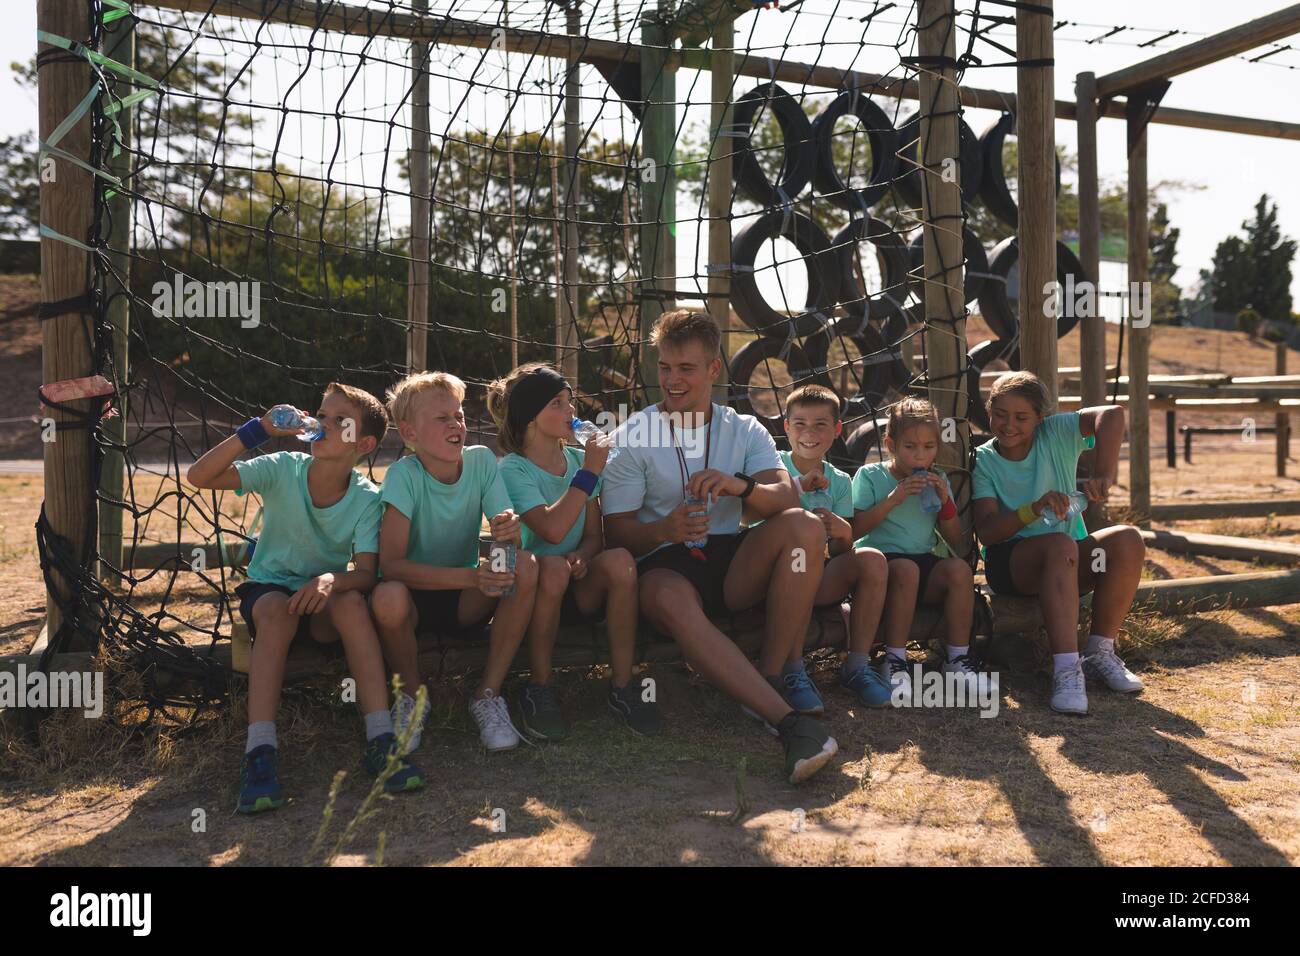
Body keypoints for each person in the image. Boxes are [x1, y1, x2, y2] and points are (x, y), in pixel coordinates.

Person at [600, 309, 838, 784]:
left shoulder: (743, 428)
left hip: (730, 558)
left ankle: (771, 678)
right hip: (661, 566)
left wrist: (739, 487)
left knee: (803, 527)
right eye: (665, 367)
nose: (671, 379)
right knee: (667, 591)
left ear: (713, 370)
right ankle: (787, 722)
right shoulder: (632, 435)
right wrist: (665, 529)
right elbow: (617, 534)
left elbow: (786, 496)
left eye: (685, 368)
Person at [186, 383, 423, 813]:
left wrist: (331, 579)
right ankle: (259, 753)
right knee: (276, 613)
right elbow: (199, 476)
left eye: (339, 421)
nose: (323, 424)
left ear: (364, 444)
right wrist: (258, 429)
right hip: (271, 591)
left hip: (323, 600)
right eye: (322, 415)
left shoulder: (369, 498)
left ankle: (381, 740)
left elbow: (367, 574)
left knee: (352, 604)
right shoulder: (283, 467)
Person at [487, 362, 661, 738]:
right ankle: (540, 687)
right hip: (534, 592)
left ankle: (622, 686)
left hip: (578, 586)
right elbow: (550, 529)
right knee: (551, 567)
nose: (572, 411)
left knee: (619, 561)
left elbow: (593, 535)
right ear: (530, 417)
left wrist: (583, 555)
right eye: (558, 403)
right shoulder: (513, 469)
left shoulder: (579, 461)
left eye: (570, 401)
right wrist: (589, 474)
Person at [368, 371, 538, 752]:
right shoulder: (402, 475)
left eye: (458, 415)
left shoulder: (480, 462)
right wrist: (471, 577)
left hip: (465, 600)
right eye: (442, 418)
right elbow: (391, 565)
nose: (456, 424)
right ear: (409, 434)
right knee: (387, 597)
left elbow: (506, 546)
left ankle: (488, 695)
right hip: (414, 598)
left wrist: (509, 533)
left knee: (525, 564)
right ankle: (412, 698)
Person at [972, 371, 1145, 715]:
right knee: (1059, 546)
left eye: (1021, 417)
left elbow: (1112, 415)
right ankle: (1066, 669)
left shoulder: (1056, 433)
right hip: (1013, 567)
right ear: (988, 410)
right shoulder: (983, 461)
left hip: (1067, 563)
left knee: (1127, 539)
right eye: (1000, 414)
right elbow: (988, 532)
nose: (1008, 425)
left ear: (1041, 419)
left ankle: (1098, 652)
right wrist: (1032, 509)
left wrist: (1104, 473)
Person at [774, 384, 893, 709]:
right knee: (799, 558)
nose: (808, 433)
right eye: (799, 423)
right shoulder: (773, 467)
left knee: (872, 559)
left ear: (838, 429)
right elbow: (755, 528)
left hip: (821, 577)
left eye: (820, 424)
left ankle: (857, 666)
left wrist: (843, 532)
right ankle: (793, 670)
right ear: (786, 427)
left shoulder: (840, 481)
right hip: (778, 577)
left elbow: (841, 553)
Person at [852, 396, 977, 703]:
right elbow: (854, 530)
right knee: (906, 569)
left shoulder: (938, 478)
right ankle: (895, 660)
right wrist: (892, 500)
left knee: (960, 570)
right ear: (891, 444)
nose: (920, 456)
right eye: (910, 447)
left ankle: (957, 660)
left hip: (924, 563)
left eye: (928, 447)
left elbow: (954, 539)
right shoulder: (871, 476)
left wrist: (946, 501)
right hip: (880, 565)